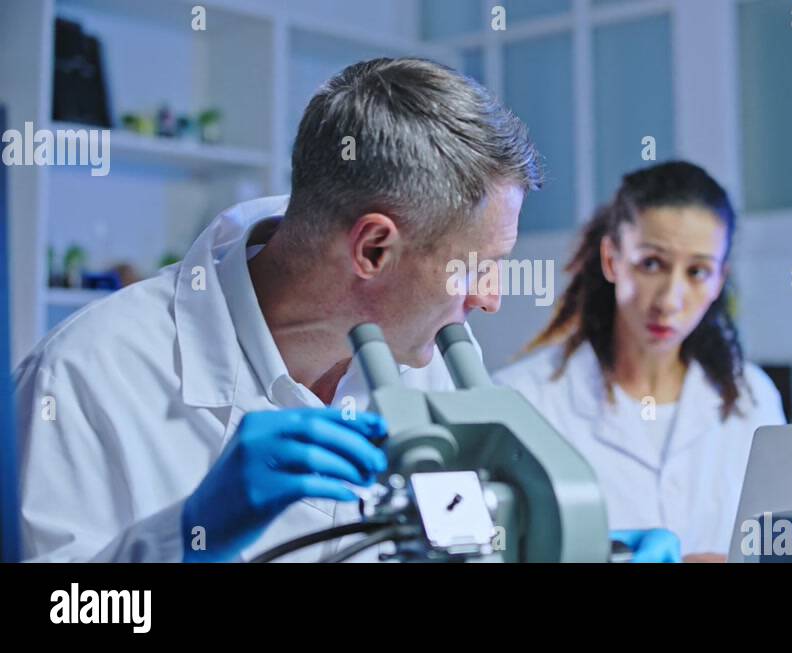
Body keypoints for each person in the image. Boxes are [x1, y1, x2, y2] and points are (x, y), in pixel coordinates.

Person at [14, 58, 676, 563]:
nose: (490, 297)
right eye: (477, 267)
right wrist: (188, 534)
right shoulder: (82, 378)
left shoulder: (430, 365)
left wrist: (582, 542)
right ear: (375, 247)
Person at [494, 161, 787, 562]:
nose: (669, 300)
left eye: (698, 272)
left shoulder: (754, 399)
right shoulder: (522, 401)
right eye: (652, 264)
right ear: (612, 259)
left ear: (720, 280)